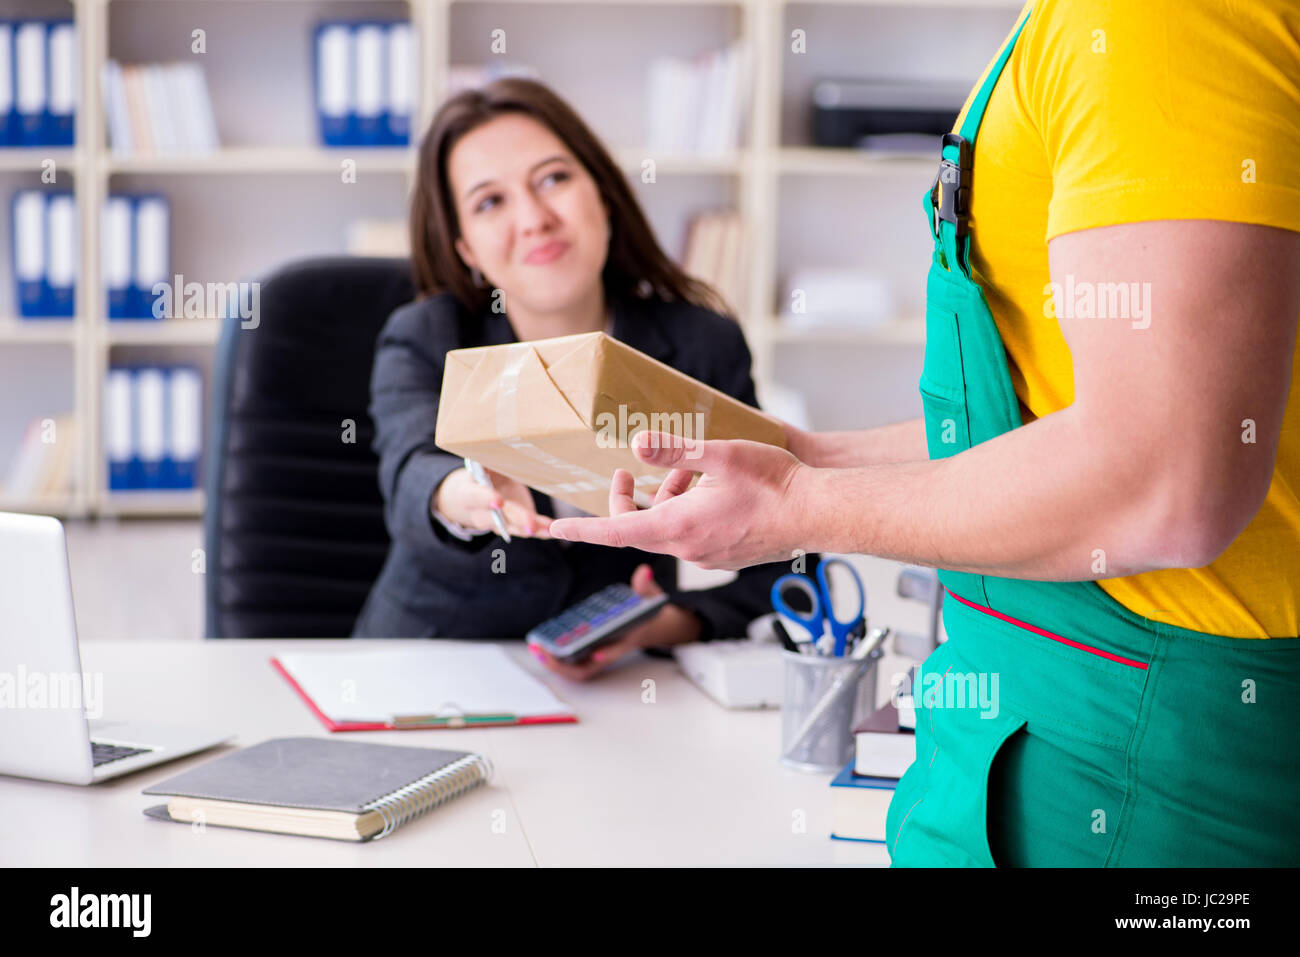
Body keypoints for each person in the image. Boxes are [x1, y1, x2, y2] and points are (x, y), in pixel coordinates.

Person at [548, 0, 1300, 865]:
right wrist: (813, 458)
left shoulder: (1154, 19)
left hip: (1134, 766)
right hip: (1042, 716)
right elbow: (1048, 416)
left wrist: (805, 506)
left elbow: (1164, 480)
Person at [352, 78, 798, 680]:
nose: (534, 218)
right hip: (436, 665)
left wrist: (673, 621)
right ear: (465, 249)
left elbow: (784, 542)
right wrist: (468, 492)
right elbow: (410, 471)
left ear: (603, 195)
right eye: (490, 202)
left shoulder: (700, 344)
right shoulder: (426, 337)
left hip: (621, 685)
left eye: (554, 179)